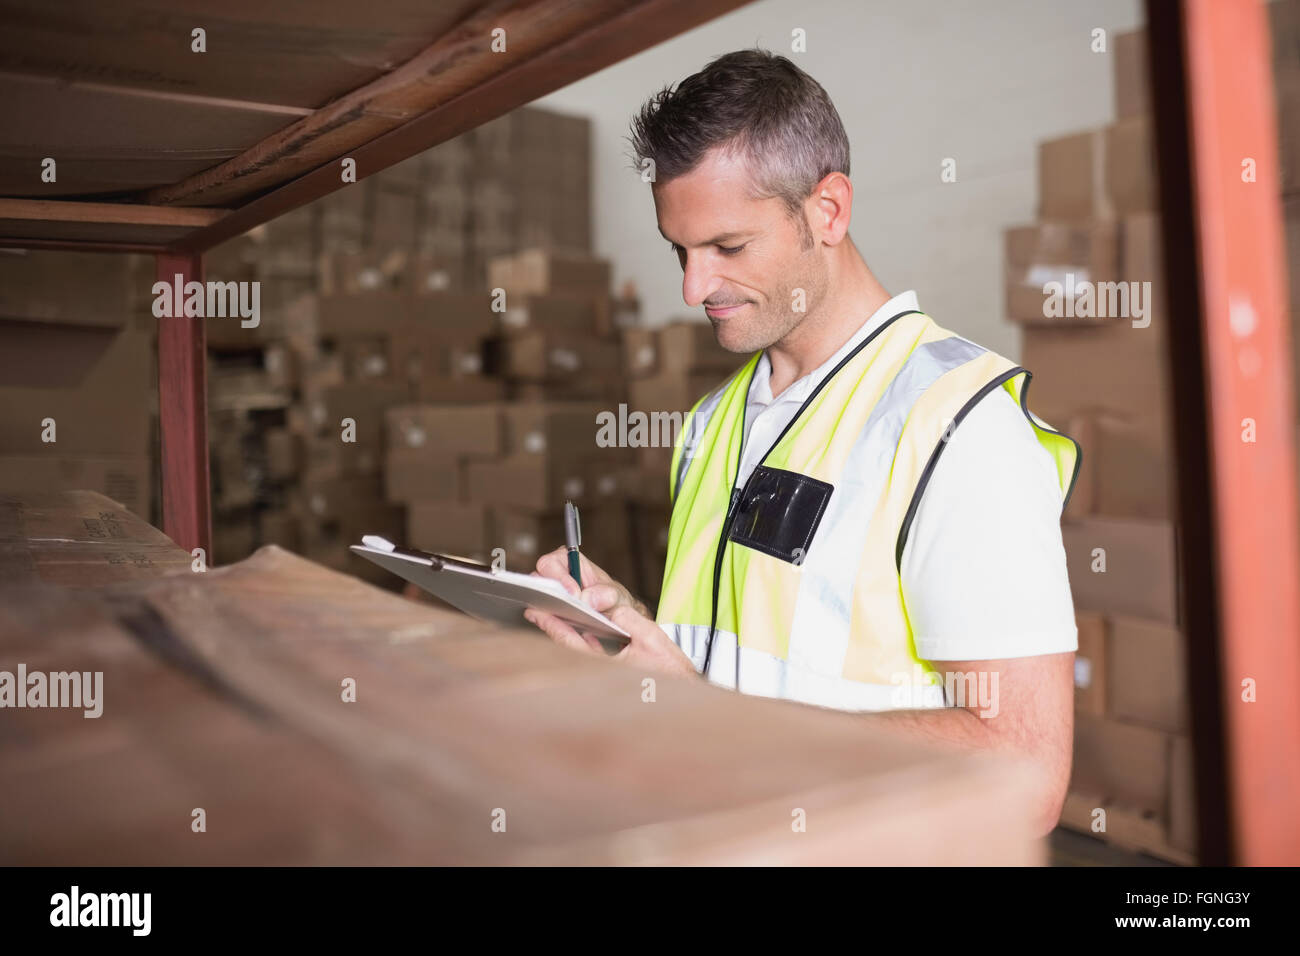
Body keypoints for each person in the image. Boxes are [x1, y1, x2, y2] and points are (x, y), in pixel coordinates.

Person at [523, 49, 1080, 836]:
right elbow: (729, 663)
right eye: (678, 250)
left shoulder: (957, 424)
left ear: (828, 210)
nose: (693, 288)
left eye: (728, 247)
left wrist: (713, 721)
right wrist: (629, 631)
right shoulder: (713, 424)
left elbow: (1023, 775)